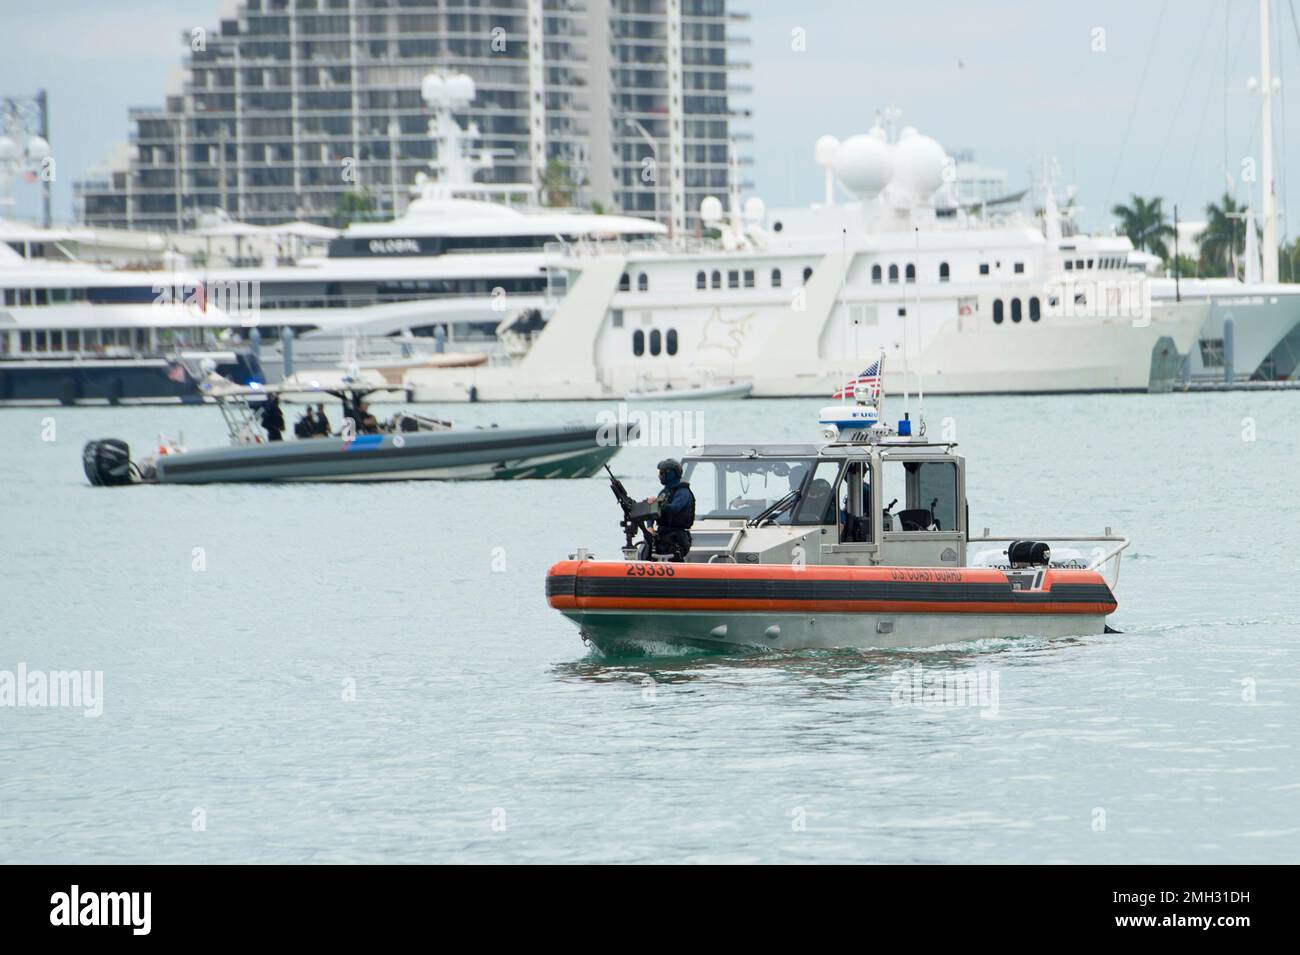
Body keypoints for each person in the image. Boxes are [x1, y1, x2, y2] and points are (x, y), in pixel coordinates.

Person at [647, 458, 695, 561]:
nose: (659, 475)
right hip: (661, 536)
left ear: (668, 474)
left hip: (676, 538)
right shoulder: (664, 492)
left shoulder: (683, 493)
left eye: (661, 473)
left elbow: (674, 508)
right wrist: (650, 526)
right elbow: (653, 510)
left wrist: (658, 502)